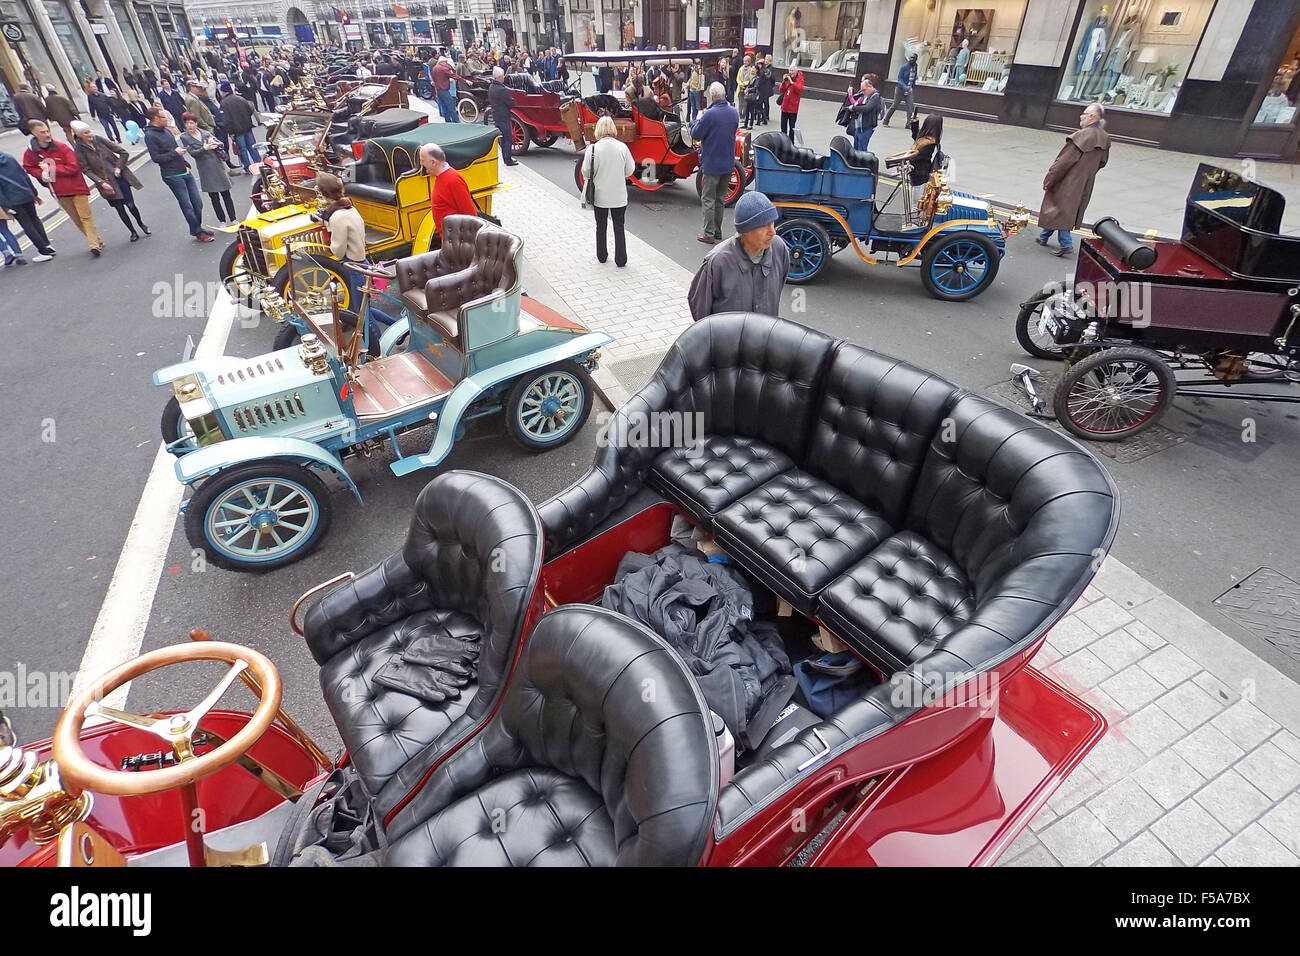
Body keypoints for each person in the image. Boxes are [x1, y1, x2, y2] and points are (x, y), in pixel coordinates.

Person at [688, 191, 790, 321]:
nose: (772, 231)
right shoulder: (718, 261)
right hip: (729, 340)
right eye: (764, 226)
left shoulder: (779, 249)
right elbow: (701, 313)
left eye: (772, 223)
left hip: (765, 339)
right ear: (745, 231)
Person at [1038, 103, 1110, 257]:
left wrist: (1049, 180)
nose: (1081, 116)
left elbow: (1062, 163)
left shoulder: (1081, 136)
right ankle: (1043, 236)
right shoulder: (1104, 138)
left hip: (1068, 181)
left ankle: (1066, 243)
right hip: (1085, 182)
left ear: (1091, 117)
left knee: (1061, 209)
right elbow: (1103, 162)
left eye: (1084, 113)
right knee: (1062, 209)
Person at [22, 121, 103, 256]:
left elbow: (73, 167)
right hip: (59, 191)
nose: (47, 134)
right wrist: (41, 174)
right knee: (77, 220)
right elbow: (28, 167)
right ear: (33, 133)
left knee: (85, 217)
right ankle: (96, 240)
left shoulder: (61, 147)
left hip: (77, 187)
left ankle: (94, 244)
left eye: (48, 131)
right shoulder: (31, 153)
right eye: (43, 132)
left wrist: (52, 169)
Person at [70, 120, 150, 241]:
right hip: (106, 183)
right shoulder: (79, 149)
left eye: (89, 131)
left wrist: (118, 167)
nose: (90, 134)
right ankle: (132, 231)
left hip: (119, 178)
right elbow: (85, 169)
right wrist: (100, 182)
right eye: (86, 133)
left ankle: (141, 224)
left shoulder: (99, 139)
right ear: (79, 135)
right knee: (120, 209)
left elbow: (123, 152)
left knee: (131, 205)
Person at [143, 106, 213, 243]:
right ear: (156, 119)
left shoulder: (167, 131)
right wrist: (175, 154)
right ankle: (199, 232)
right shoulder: (150, 136)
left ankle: (196, 227)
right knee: (187, 205)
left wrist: (185, 162)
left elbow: (176, 148)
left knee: (197, 203)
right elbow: (156, 158)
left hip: (183, 170)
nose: (167, 120)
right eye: (164, 117)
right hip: (172, 175)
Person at [581, 115, 635, 267]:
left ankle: (602, 255)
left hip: (600, 195)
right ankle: (621, 259)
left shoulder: (592, 149)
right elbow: (630, 170)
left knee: (601, 225)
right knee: (619, 226)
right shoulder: (622, 147)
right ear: (613, 128)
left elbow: (585, 172)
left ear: (598, 129)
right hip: (619, 195)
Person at [690, 83, 740, 245]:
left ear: (712, 96)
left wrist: (696, 120)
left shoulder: (709, 114)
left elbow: (696, 133)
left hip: (712, 162)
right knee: (720, 199)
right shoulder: (734, 112)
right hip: (728, 162)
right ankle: (717, 230)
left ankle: (709, 233)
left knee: (708, 199)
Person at [179, 112, 236, 224]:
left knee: (226, 194)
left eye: (191, 123)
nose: (189, 126)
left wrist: (215, 144)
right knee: (214, 197)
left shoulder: (205, 133)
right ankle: (222, 220)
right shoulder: (184, 137)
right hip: (205, 168)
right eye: (187, 123)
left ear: (196, 123)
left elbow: (221, 144)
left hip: (217, 165)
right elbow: (193, 153)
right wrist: (204, 148)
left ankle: (233, 218)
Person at [0, 149, 54, 261]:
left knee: (27, 225)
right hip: (26, 194)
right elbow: (24, 175)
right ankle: (47, 245)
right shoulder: (9, 157)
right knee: (35, 220)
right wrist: (34, 193)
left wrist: (5, 205)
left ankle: (43, 252)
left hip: (12, 200)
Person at [419, 142, 477, 234]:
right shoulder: (441, 177)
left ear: (433, 162)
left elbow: (470, 214)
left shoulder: (453, 179)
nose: (421, 164)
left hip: (458, 241)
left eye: (422, 160)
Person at [219, 81, 261, 173]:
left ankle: (247, 167)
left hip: (237, 130)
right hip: (247, 127)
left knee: (242, 149)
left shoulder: (224, 103)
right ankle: (259, 164)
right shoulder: (240, 99)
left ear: (224, 91)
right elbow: (250, 110)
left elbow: (226, 120)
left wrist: (230, 132)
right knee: (252, 147)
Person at [488, 67, 517, 166]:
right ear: (500, 77)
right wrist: (513, 100)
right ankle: (508, 159)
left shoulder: (491, 87)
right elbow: (511, 103)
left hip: (496, 115)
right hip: (504, 116)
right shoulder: (502, 89)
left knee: (502, 138)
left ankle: (505, 157)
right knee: (508, 138)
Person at [846, 75, 882, 153]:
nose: (862, 92)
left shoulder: (875, 96)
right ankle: (856, 162)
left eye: (864, 90)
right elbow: (855, 103)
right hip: (859, 125)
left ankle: (863, 163)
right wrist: (850, 95)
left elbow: (867, 108)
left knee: (862, 148)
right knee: (856, 147)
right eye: (862, 90)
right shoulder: (864, 95)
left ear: (870, 87)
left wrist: (853, 108)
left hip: (867, 126)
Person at [884, 53, 918, 127]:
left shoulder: (915, 66)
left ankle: (908, 124)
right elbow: (900, 79)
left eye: (913, 58)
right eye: (910, 58)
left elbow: (914, 77)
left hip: (909, 90)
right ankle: (885, 121)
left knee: (910, 107)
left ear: (916, 59)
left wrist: (912, 87)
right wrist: (904, 86)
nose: (911, 59)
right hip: (900, 89)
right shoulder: (904, 67)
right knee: (895, 105)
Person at [431, 56, 461, 123]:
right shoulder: (443, 69)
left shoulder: (434, 68)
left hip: (438, 89)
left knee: (444, 106)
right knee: (450, 105)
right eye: (446, 62)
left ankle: (447, 121)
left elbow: (433, 79)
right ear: (443, 62)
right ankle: (456, 120)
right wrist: (465, 80)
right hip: (444, 89)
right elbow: (454, 75)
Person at [778, 64, 804, 138]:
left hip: (793, 107)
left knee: (792, 126)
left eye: (792, 70)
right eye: (790, 70)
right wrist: (783, 82)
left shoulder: (800, 79)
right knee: (783, 125)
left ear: (796, 71)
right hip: (785, 106)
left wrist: (792, 83)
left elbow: (800, 89)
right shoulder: (787, 78)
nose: (791, 72)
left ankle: (791, 141)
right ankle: (783, 139)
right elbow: (781, 90)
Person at [736, 56, 756, 128]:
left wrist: (745, 83)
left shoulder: (751, 70)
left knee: (745, 103)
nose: (744, 62)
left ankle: (744, 116)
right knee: (740, 103)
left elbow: (751, 79)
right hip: (740, 88)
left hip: (746, 88)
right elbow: (738, 78)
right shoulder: (741, 69)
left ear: (749, 62)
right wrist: (740, 83)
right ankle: (740, 116)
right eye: (744, 61)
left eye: (746, 61)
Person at [757, 55, 775, 125]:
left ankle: (766, 115)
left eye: (767, 59)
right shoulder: (764, 67)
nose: (766, 60)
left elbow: (772, 78)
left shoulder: (771, 68)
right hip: (763, 87)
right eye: (765, 59)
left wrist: (771, 85)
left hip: (767, 87)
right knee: (762, 101)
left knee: (766, 101)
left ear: (770, 60)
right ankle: (763, 115)